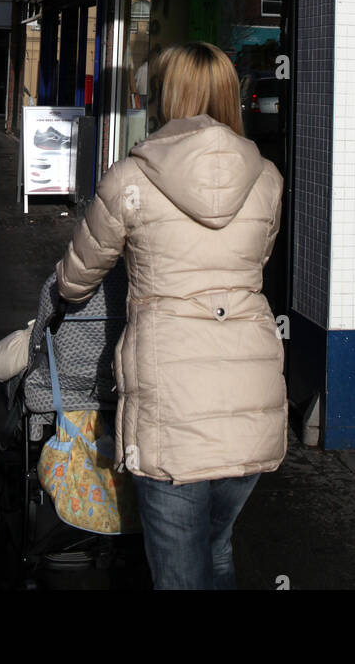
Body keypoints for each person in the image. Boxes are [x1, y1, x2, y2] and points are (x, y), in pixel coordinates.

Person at [53, 41, 287, 591]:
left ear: (165, 95)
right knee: (217, 549)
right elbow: (256, 260)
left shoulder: (129, 181)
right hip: (250, 400)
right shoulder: (268, 179)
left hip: (172, 406)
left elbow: (75, 277)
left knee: (180, 576)